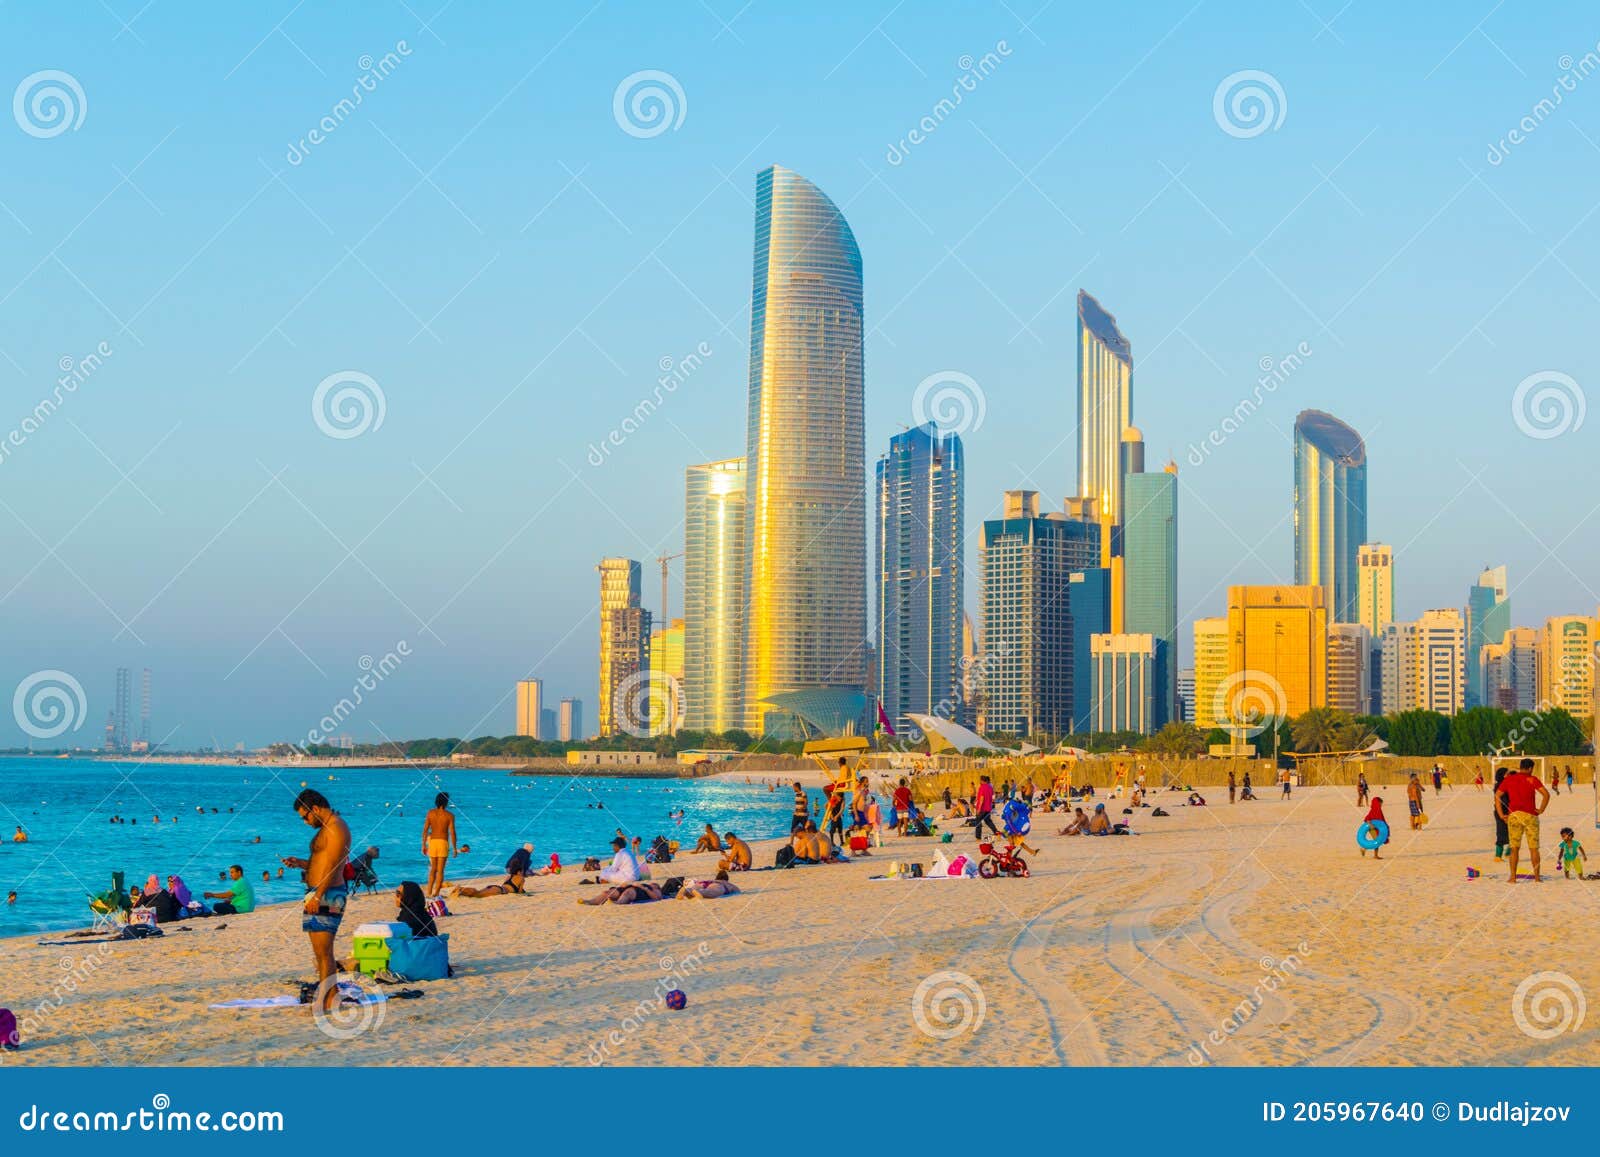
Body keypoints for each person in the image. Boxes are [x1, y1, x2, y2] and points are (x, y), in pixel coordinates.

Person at [281, 788, 351, 1015]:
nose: (305, 821)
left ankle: (326, 998)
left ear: (317, 808)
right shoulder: (327, 828)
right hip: (318, 892)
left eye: (306, 816)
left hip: (328, 894)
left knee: (324, 951)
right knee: (321, 952)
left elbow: (333, 866)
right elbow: (320, 860)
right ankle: (331, 995)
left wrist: (318, 895)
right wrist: (301, 863)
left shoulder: (337, 828)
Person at [1497, 758, 1551, 883]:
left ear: (1520, 767)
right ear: (1530, 768)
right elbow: (1546, 795)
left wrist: (1501, 814)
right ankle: (1537, 878)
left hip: (1514, 816)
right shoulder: (1532, 779)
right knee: (1534, 848)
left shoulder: (1509, 779)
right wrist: (1541, 809)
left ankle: (1513, 877)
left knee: (1514, 848)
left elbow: (1498, 796)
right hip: (1530, 816)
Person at [421, 793, 457, 898]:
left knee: (433, 869)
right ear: (446, 802)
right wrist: (454, 848)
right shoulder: (449, 815)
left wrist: (423, 844)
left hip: (432, 842)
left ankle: (428, 892)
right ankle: (436, 893)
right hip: (443, 842)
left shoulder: (430, 813)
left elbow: (425, 830)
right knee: (440, 870)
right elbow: (452, 833)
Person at [971, 774, 999, 839]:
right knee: (988, 821)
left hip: (982, 808)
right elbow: (993, 798)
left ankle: (978, 837)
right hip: (988, 808)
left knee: (978, 822)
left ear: (982, 780)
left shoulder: (982, 787)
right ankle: (996, 832)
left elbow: (982, 799)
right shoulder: (990, 787)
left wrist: (979, 809)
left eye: (980, 780)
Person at [1493, 767, 1511, 861]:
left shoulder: (1498, 785)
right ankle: (1499, 855)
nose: (1509, 775)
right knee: (1505, 833)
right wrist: (1504, 815)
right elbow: (1503, 801)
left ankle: (1504, 854)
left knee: (1503, 832)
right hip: (1503, 812)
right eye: (1507, 774)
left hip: (1500, 811)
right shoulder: (1502, 785)